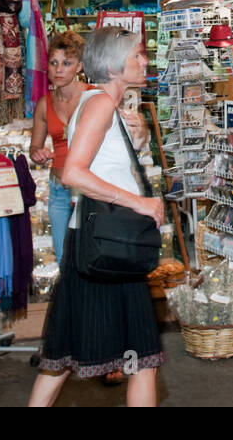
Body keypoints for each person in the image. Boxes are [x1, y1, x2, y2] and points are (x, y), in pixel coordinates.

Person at [28, 26, 165, 407]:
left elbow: (99, 164)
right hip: (105, 244)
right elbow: (73, 172)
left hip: (100, 243)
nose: (144, 60)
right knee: (138, 356)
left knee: (69, 355)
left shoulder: (102, 103)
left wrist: (134, 143)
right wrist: (138, 203)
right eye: (136, 55)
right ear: (113, 64)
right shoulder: (100, 104)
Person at [29, 32, 89, 266]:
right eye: (54, 63)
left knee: (88, 254)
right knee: (64, 258)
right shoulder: (45, 104)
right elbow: (35, 146)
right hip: (58, 190)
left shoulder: (93, 97)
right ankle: (72, 303)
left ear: (79, 66)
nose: (59, 70)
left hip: (89, 188)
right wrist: (38, 153)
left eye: (67, 63)